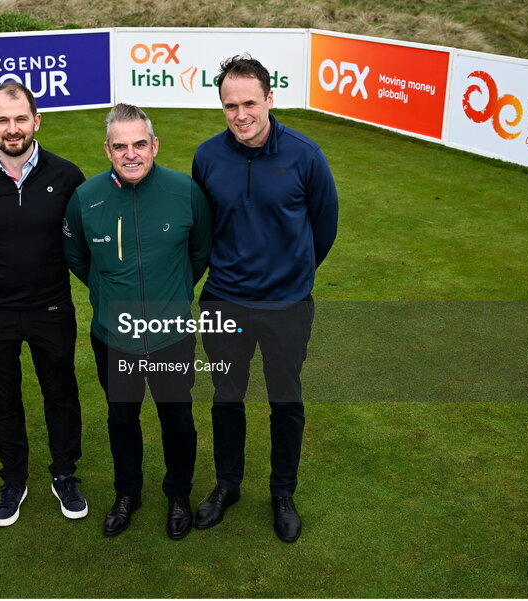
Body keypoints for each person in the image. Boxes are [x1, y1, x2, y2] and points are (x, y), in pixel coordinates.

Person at [191, 55, 339, 542]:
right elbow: (204, 227)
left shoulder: (305, 154)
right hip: (224, 301)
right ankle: (227, 485)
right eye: (230, 106)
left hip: (286, 306)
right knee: (226, 397)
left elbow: (324, 226)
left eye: (250, 103)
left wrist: (291, 276)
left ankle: (282, 493)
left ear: (269, 99)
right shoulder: (207, 157)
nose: (241, 115)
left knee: (285, 400)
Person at [63, 103, 212, 540]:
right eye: (120, 146)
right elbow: (77, 258)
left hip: (170, 336)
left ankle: (178, 494)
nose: (131, 154)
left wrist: (173, 294)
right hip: (114, 337)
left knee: (177, 419)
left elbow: (199, 253)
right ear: (107, 150)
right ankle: (128, 494)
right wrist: (110, 292)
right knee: (121, 419)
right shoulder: (85, 198)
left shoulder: (185, 192)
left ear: (155, 146)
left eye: (140, 144)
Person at [0, 82, 87, 527]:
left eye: (21, 118)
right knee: (2, 397)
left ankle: (64, 473)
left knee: (60, 392)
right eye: (3, 119)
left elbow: (79, 239)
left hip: (51, 308)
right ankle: (14, 480)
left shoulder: (68, 176)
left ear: (36, 121)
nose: (12, 128)